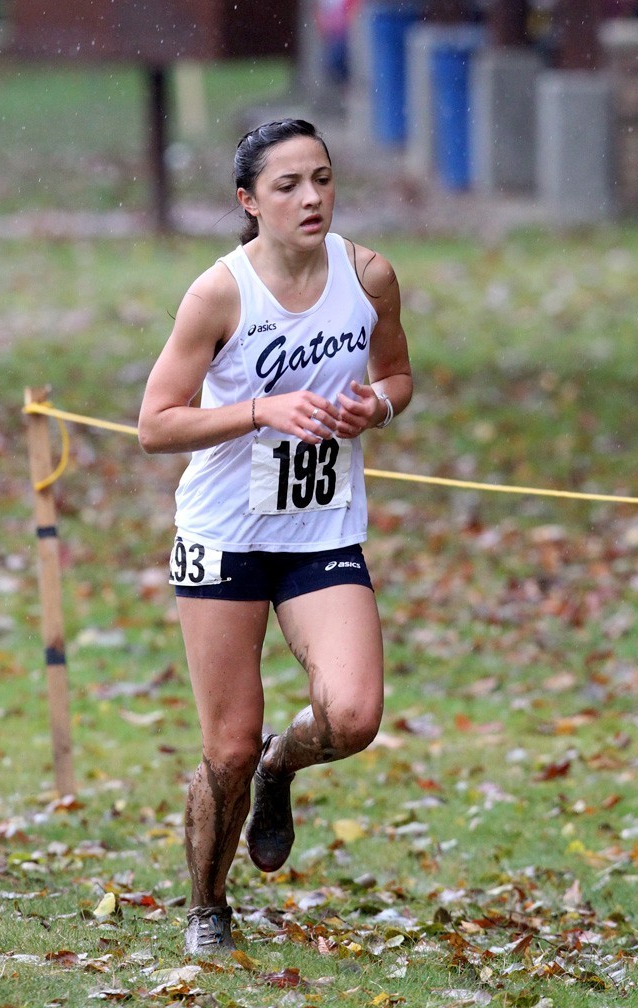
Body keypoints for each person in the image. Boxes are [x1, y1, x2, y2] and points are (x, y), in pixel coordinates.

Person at [138, 118, 413, 957]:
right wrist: (262, 410)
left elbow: (397, 374)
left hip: (320, 530)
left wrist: (376, 406)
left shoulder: (368, 276)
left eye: (322, 178)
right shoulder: (219, 294)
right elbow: (155, 424)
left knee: (353, 715)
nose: (311, 198)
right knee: (224, 747)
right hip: (224, 534)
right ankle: (207, 903)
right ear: (249, 201)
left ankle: (279, 765)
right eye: (287, 185)